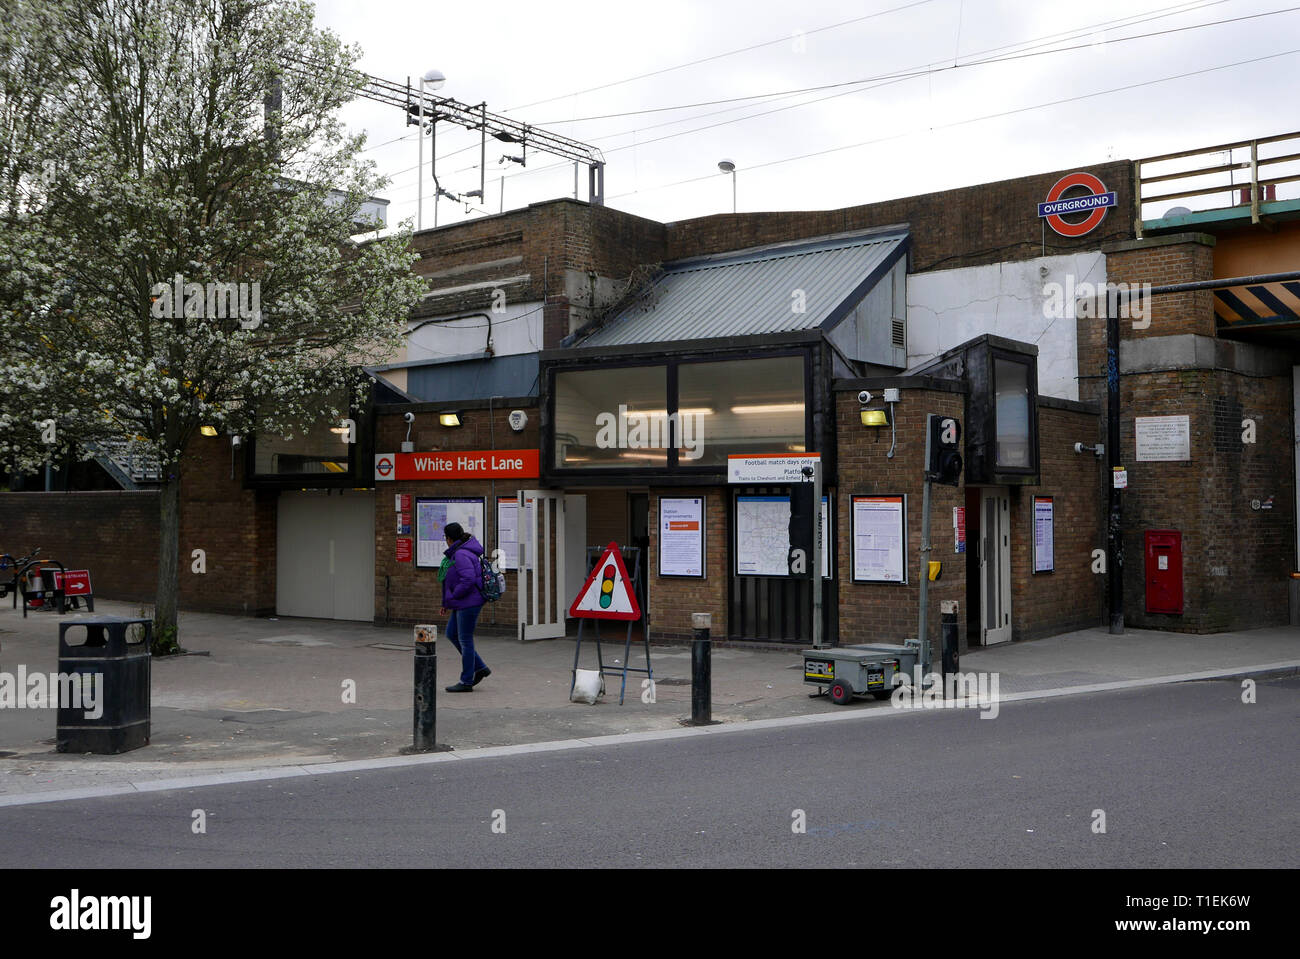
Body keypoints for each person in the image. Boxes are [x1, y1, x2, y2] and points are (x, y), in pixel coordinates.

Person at [438, 522, 491, 692]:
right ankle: (480, 667)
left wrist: (453, 596)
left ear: (449, 538)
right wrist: (447, 603)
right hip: (461, 602)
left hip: (468, 603)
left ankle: (467, 681)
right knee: (451, 633)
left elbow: (467, 579)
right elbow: (453, 580)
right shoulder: (460, 551)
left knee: (465, 640)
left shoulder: (460, 554)